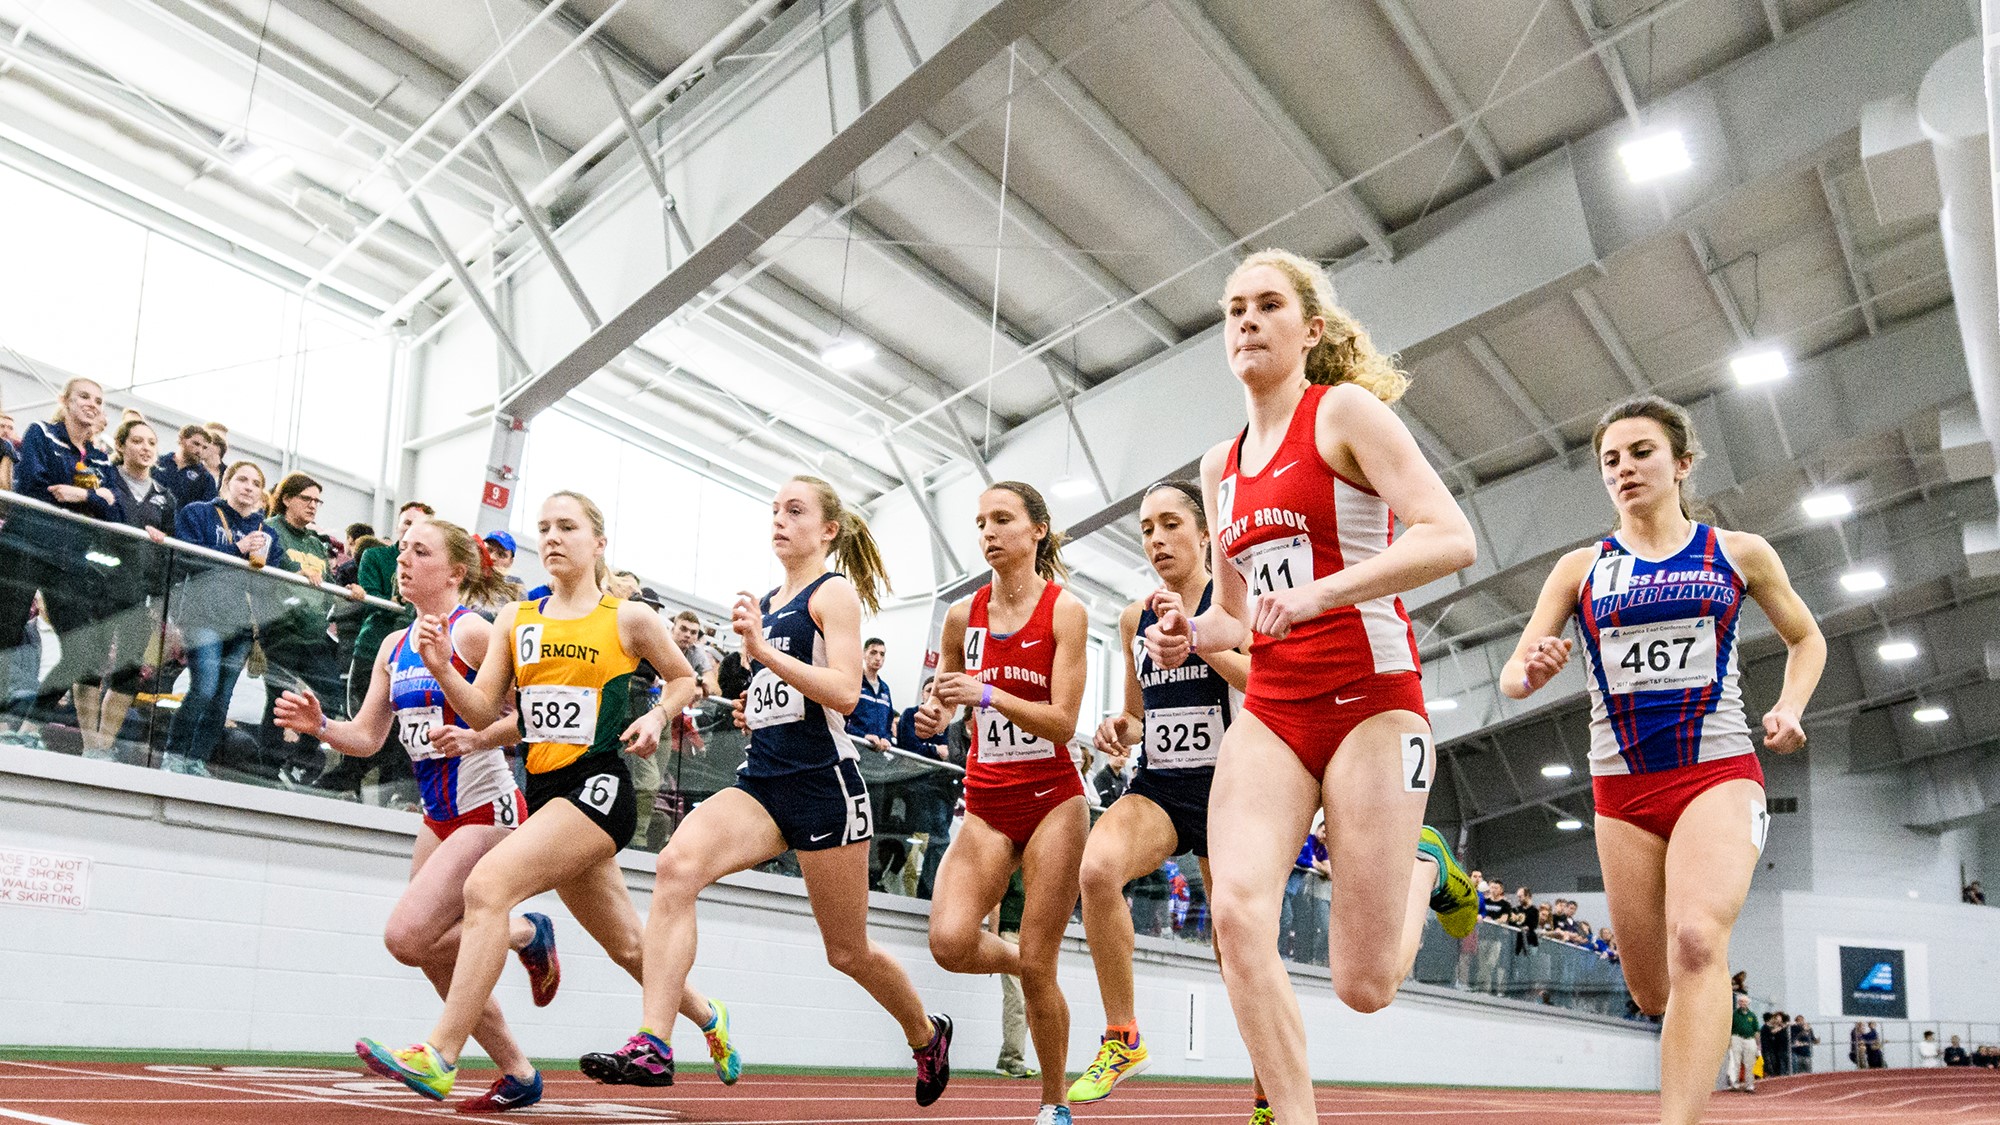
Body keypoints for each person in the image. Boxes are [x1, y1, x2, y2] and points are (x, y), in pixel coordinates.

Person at [1141, 250, 1479, 1124]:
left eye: (1268, 305)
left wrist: (1323, 593)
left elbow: (1450, 536)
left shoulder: (1343, 414)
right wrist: (1189, 632)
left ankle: (1424, 868)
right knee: (1235, 913)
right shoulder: (1220, 466)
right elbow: (1234, 615)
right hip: (1275, 711)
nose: (1247, 321)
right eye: (1234, 309)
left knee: (1364, 986)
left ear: (1310, 328)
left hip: (1372, 700)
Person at [1500, 395, 1825, 1125]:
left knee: (1698, 940)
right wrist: (1533, 671)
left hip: (1718, 772)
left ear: (1681, 463)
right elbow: (1511, 675)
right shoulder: (1580, 568)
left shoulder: (1737, 552)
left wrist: (1791, 706)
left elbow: (1807, 638)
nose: (1624, 468)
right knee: (1651, 989)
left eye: (1641, 452)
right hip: (1622, 790)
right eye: (1610, 459)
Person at [582, 476, 949, 1103]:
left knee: (847, 952)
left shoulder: (833, 594)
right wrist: (754, 702)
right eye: (775, 510)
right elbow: (789, 695)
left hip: (824, 786)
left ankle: (925, 1033)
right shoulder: (771, 600)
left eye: (795, 511)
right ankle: (653, 1042)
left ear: (828, 530)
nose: (779, 519)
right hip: (762, 783)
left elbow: (845, 693)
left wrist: (762, 653)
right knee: (675, 867)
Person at [356, 492, 732, 1100]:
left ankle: (441, 1054)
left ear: (598, 543)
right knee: (627, 946)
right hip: (547, 792)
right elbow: (485, 711)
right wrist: (443, 668)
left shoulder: (627, 618)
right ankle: (710, 1016)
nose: (552, 536)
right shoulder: (515, 619)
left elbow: (684, 676)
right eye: (544, 527)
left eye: (567, 526)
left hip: (601, 788)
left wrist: (659, 714)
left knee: (488, 887)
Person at [275, 519, 556, 1112]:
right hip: (437, 815)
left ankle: (526, 932)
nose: (403, 560)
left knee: (408, 937)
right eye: (402, 550)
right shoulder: (392, 646)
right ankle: (518, 1071)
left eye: (419, 552)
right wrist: (320, 726)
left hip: (489, 806)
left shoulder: (473, 632)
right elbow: (368, 737)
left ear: (455, 572)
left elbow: (528, 719)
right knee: (432, 951)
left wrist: (475, 737)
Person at [1070, 479, 1269, 1117]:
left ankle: (1269, 1092)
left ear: (1206, 534)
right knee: (1097, 869)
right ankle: (1122, 1036)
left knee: (1236, 948)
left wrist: (1200, 641)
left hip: (1233, 788)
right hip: (1161, 785)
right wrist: (1118, 727)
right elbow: (1139, 714)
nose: (1156, 539)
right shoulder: (1135, 618)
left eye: (1170, 524)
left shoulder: (1237, 602)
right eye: (1146, 529)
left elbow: (1266, 682)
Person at [915, 480, 1091, 1125]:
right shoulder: (963, 615)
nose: (988, 532)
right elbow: (944, 695)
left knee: (1040, 962)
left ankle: (1054, 1102)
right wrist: (935, 714)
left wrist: (987, 695)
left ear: (1037, 530)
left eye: (1003, 519)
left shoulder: (1065, 612)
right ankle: (1032, 967)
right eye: (981, 522)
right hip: (987, 797)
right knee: (949, 941)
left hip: (1052, 801)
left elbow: (1063, 722)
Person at [0, 378, 118, 726]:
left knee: (84, 651)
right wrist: (95, 500)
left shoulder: (100, 458)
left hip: (70, 558)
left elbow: (115, 513)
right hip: (26, 545)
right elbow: (34, 487)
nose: (92, 404)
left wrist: (83, 495)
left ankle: (26, 723)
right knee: (5, 635)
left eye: (98, 400)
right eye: (84, 396)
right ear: (65, 400)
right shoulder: (41, 433)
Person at [163, 461, 290, 775]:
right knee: (203, 688)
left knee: (222, 699)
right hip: (203, 617)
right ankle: (173, 754)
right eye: (242, 479)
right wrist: (238, 548)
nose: (249, 487)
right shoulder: (199, 513)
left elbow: (273, 582)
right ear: (227, 483)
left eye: (256, 483)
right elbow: (188, 558)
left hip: (242, 625)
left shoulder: (267, 533)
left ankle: (196, 759)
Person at [88, 418, 179, 760]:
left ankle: (103, 746)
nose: (145, 448)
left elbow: (170, 549)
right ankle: (88, 744)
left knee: (126, 675)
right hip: (98, 584)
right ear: (121, 445)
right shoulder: (104, 478)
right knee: (89, 667)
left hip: (140, 594)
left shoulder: (165, 498)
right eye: (138, 440)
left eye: (151, 442)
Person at [260, 473, 348, 785]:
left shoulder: (315, 542)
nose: (313, 505)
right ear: (286, 499)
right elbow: (261, 571)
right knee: (280, 701)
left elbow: (328, 584)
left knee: (330, 696)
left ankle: (298, 762)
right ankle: (267, 769)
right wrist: (295, 574)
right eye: (306, 499)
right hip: (280, 629)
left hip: (313, 633)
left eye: (317, 501)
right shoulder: (269, 529)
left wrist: (347, 590)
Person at [893, 678, 959, 900]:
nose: (933, 695)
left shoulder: (947, 723)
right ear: (923, 693)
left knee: (938, 842)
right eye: (929, 690)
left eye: (937, 691)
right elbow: (909, 747)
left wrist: (940, 752)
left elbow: (952, 754)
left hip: (941, 791)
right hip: (911, 786)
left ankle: (928, 894)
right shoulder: (911, 715)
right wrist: (935, 750)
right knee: (917, 842)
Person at [992, 870, 1036, 1080]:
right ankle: (1012, 1060)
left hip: (1028, 937)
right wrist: (993, 941)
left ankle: (1007, 1058)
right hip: (1009, 934)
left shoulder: (1035, 870)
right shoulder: (1010, 869)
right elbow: (995, 903)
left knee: (1026, 999)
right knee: (1016, 998)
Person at [153, 425, 219, 509]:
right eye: (196, 444)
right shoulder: (156, 462)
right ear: (182, 439)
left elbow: (208, 511)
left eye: (204, 447)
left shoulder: (205, 478)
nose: (200, 451)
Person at [482, 530, 527, 600]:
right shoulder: (468, 576)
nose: (492, 557)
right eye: (488, 550)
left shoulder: (515, 588)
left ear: (510, 562)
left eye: (501, 554)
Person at [1726, 995, 1758, 1091]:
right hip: (1736, 1038)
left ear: (1748, 1003)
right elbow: (1729, 1028)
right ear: (1738, 1003)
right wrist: (1729, 1041)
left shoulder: (1752, 1015)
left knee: (1750, 1063)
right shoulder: (1734, 1014)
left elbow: (1756, 1030)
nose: (1743, 1003)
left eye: (1745, 1002)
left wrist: (1758, 1044)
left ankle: (1749, 1085)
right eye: (1741, 1001)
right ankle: (1735, 1084)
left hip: (1749, 1039)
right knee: (1735, 1061)